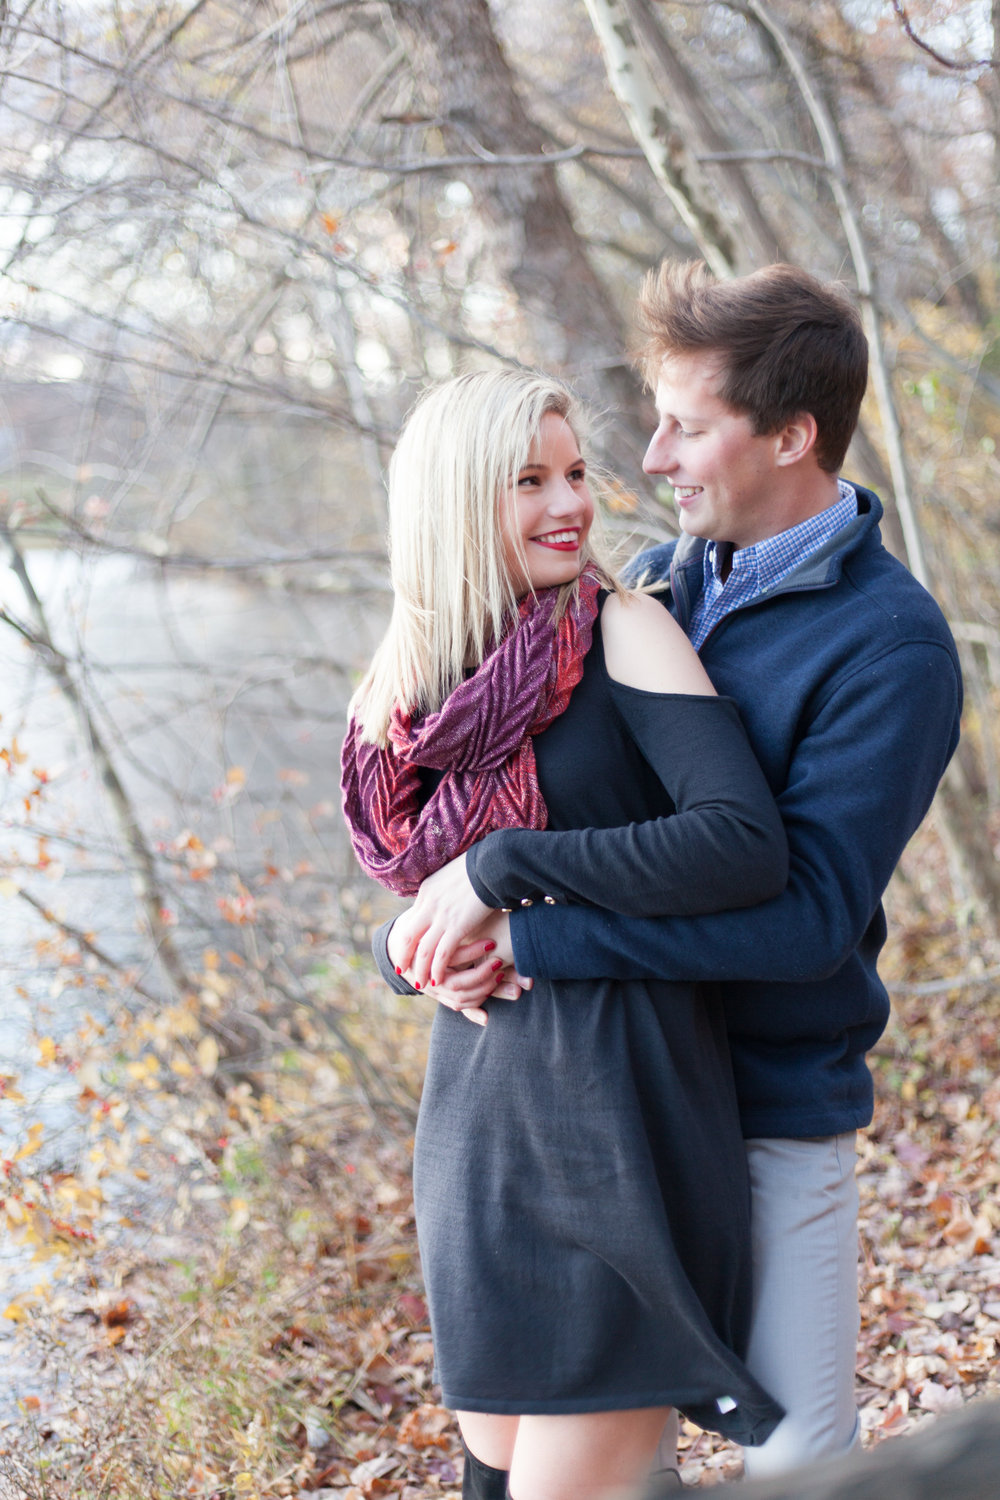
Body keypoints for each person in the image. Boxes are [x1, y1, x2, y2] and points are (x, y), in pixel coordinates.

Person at [390, 263, 964, 1480]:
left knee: (800, 1464)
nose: (650, 458)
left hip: (765, 1103)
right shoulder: (643, 584)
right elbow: (486, 818)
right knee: (602, 1460)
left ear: (791, 435)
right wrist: (426, 942)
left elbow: (803, 916)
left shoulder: (888, 648)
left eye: (686, 427)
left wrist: (529, 932)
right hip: (602, 1103)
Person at [340, 367, 790, 1500]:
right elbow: (410, 910)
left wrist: (506, 868)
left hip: (621, 1121)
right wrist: (413, 957)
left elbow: (739, 846)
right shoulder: (404, 694)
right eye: (527, 481)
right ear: (453, 503)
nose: (570, 504)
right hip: (481, 1144)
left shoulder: (619, 628)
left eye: (576, 474)